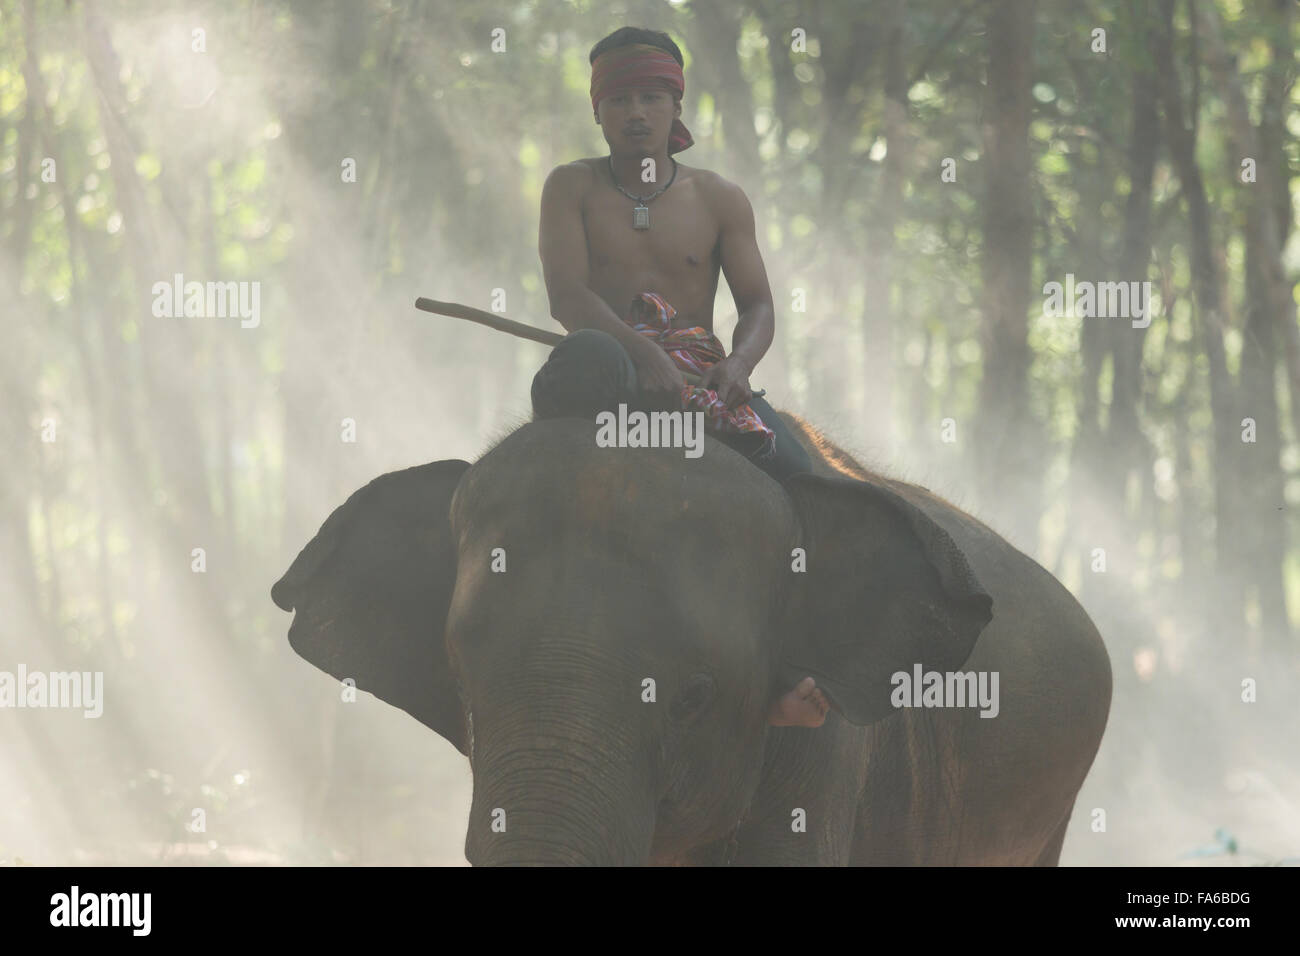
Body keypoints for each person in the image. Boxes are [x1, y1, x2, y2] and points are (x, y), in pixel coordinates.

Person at [533, 26, 827, 728]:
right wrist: (640, 353)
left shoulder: (719, 199)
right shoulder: (570, 187)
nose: (637, 113)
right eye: (621, 99)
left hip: (698, 388)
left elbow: (757, 306)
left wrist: (738, 366)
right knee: (589, 359)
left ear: (676, 108)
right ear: (598, 112)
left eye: (652, 98)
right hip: (603, 378)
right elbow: (569, 297)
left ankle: (791, 674)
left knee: (803, 478)